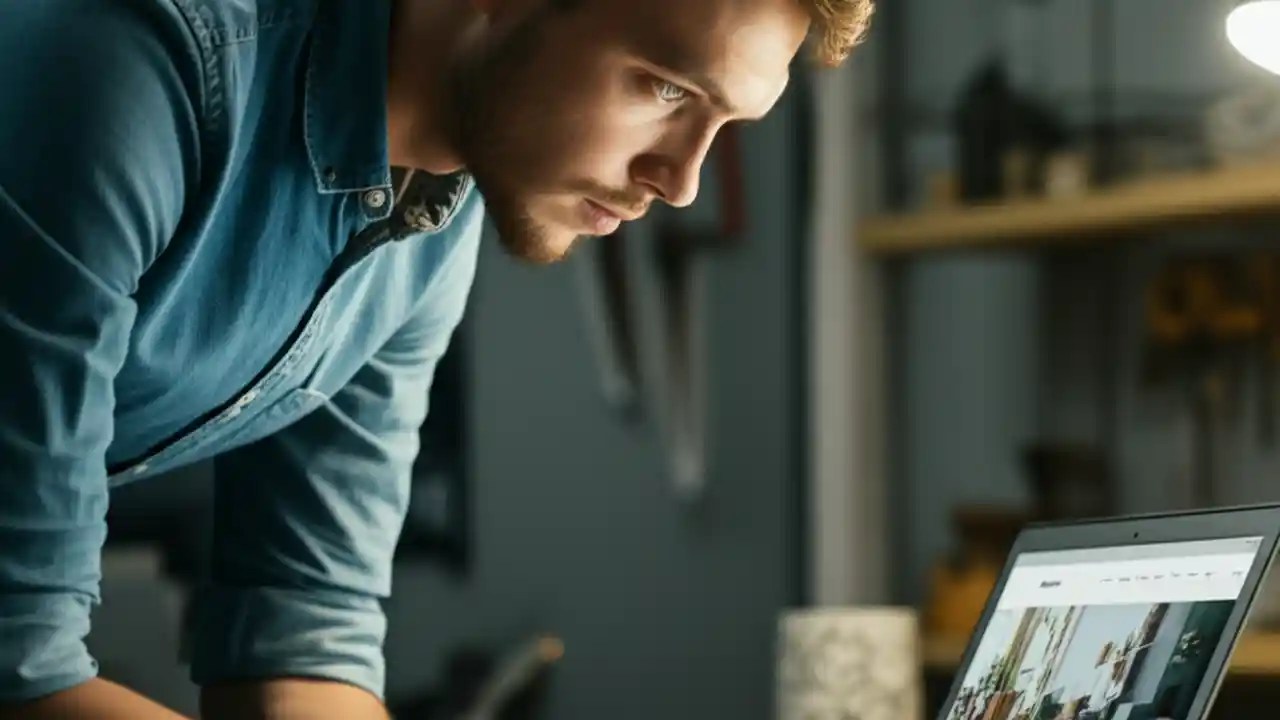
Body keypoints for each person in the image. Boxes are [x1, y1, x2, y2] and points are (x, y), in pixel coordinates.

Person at [0, 0, 873, 717]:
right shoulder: (136, 62)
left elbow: (302, 634)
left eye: (726, 124)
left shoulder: (429, 226)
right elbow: (18, 666)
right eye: (666, 87)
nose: (680, 181)